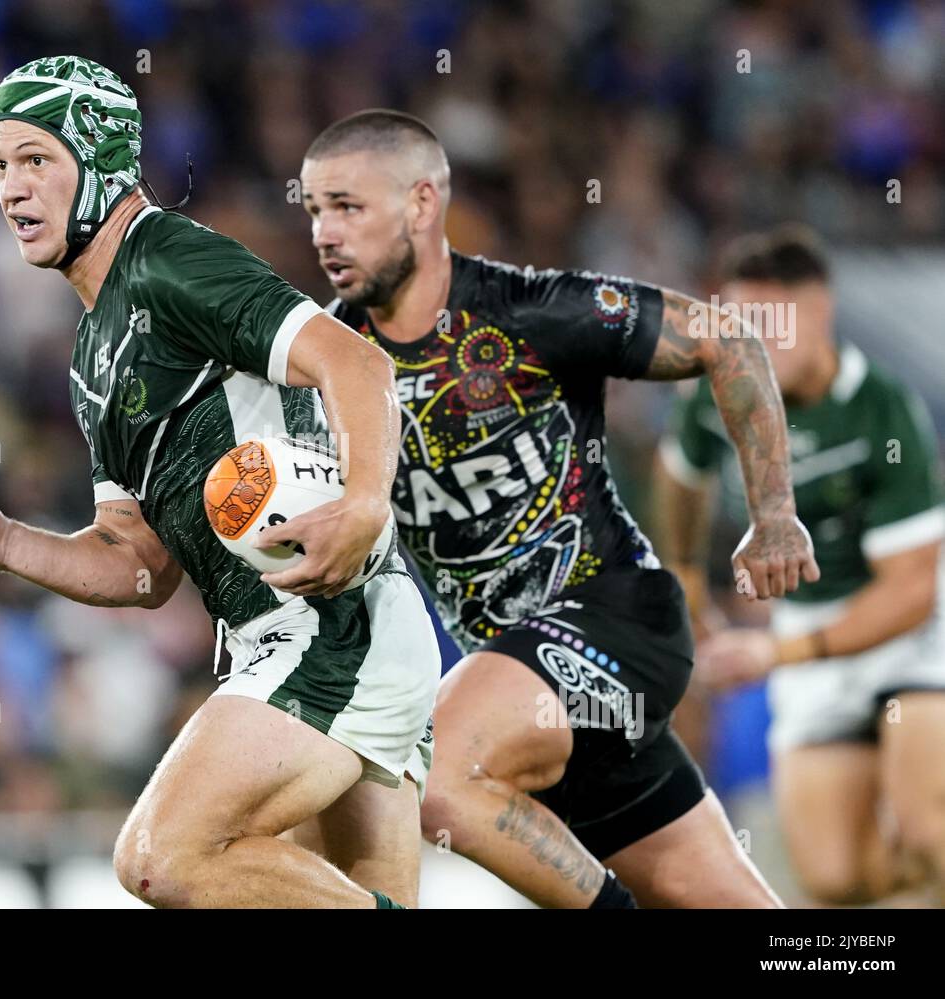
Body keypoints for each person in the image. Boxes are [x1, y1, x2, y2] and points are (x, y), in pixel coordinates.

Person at [0, 56, 440, 908]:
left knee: (162, 853)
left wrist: (365, 502)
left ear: (102, 158)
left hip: (328, 623)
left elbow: (355, 363)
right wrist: (6, 543)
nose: (10, 189)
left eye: (36, 159)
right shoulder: (87, 353)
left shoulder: (167, 257)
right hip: (295, 636)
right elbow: (140, 566)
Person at [296, 109, 817, 908]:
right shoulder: (325, 365)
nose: (325, 233)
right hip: (527, 689)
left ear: (422, 205)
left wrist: (773, 512)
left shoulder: (531, 311)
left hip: (616, 617)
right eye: (313, 210)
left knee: (438, 783)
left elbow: (727, 339)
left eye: (347, 206)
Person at [656, 224, 945, 905]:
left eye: (765, 321)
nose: (746, 341)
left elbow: (909, 593)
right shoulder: (710, 398)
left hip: (910, 632)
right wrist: (687, 575)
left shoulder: (882, 409)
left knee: (928, 824)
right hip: (805, 634)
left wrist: (779, 653)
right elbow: (680, 477)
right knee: (834, 877)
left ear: (819, 311)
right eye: (736, 322)